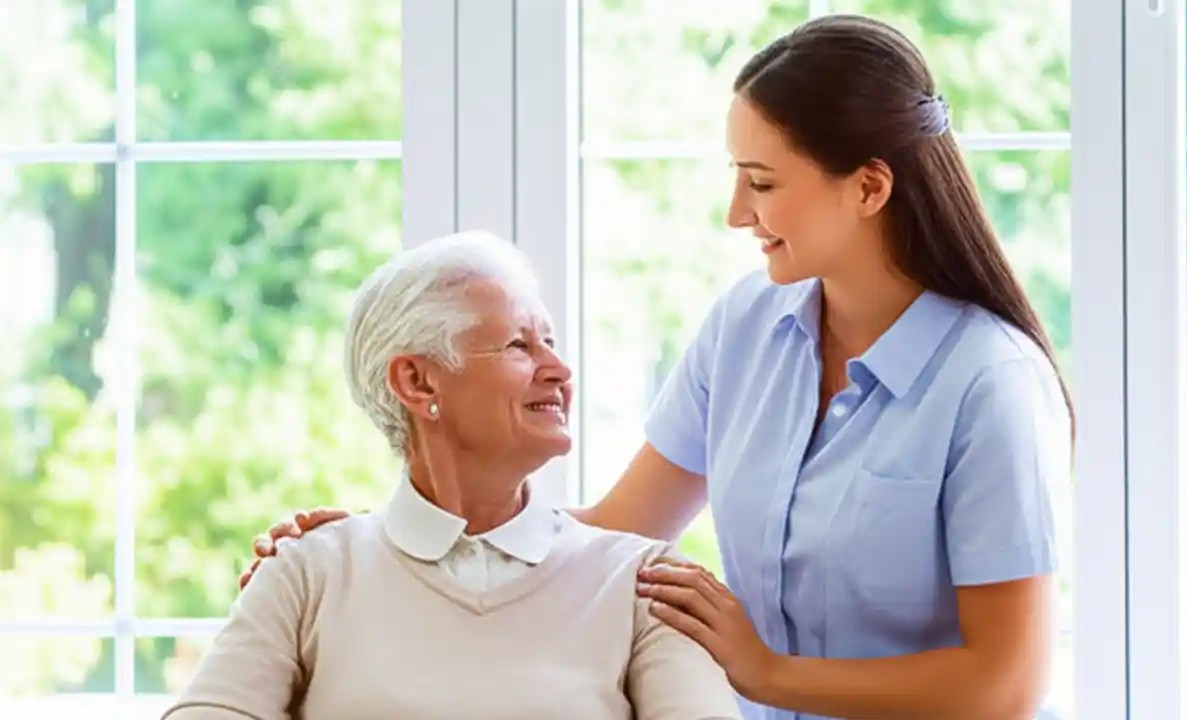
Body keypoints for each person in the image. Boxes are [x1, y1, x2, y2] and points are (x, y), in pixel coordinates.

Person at [244, 14, 1072, 720]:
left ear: (868, 187)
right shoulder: (747, 327)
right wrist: (378, 550)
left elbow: (1005, 683)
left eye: (762, 183)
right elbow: (606, 536)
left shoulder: (989, 382)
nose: (737, 213)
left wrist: (771, 673)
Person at [164, 230, 742, 719]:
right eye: (519, 345)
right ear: (417, 382)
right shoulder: (306, 571)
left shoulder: (646, 585)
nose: (559, 370)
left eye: (550, 342)